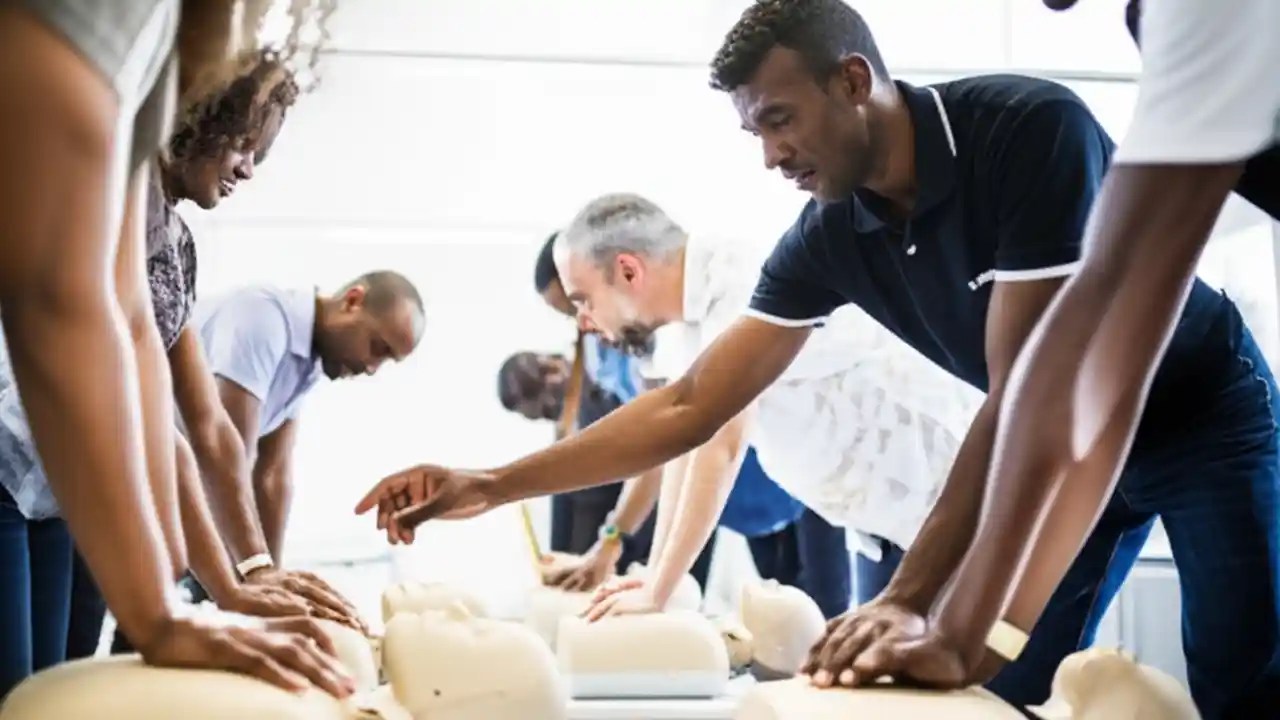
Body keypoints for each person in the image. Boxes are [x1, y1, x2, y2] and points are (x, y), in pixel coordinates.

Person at [354, 2, 1279, 716]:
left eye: (780, 120)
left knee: (1239, 668)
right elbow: (692, 408)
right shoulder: (829, 235)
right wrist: (491, 483)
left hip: (1198, 419)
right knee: (999, 681)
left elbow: (1029, 389)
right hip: (1053, 439)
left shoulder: (1026, 132)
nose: (770, 155)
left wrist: (929, 604)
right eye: (754, 132)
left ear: (852, 80)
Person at [912, 0, 1280, 714]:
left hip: (1213, 404)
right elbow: (1114, 319)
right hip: (1141, 407)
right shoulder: (1170, 18)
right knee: (1017, 667)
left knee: (1245, 675)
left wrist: (956, 627)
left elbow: (1109, 299)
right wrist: (967, 628)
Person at [0, 0, 350, 700]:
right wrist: (161, 615)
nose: (248, 167)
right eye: (246, 143)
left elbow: (136, 349)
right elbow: (56, 300)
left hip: (52, 486)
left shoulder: (148, 94)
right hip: (12, 457)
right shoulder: (112, 17)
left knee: (62, 690)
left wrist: (215, 587)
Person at [61, 51, 365, 661]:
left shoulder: (177, 242)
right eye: (243, 147)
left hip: (68, 488)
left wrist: (256, 569)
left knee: (63, 668)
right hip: (24, 469)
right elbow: (154, 421)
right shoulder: (122, 197)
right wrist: (230, 583)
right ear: (200, 118)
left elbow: (210, 429)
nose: (248, 170)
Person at [530, 232, 850, 615]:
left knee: (822, 603)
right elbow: (668, 446)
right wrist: (646, 572)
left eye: (580, 303)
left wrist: (651, 582)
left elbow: (704, 439)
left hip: (794, 477)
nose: (583, 322)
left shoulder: (715, 301)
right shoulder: (626, 351)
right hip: (736, 490)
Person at [196, 272, 426, 558]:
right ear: (353, 301)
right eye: (378, 348)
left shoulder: (307, 362)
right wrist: (256, 571)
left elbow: (272, 476)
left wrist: (276, 577)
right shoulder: (264, 317)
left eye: (387, 361)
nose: (371, 368)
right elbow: (225, 458)